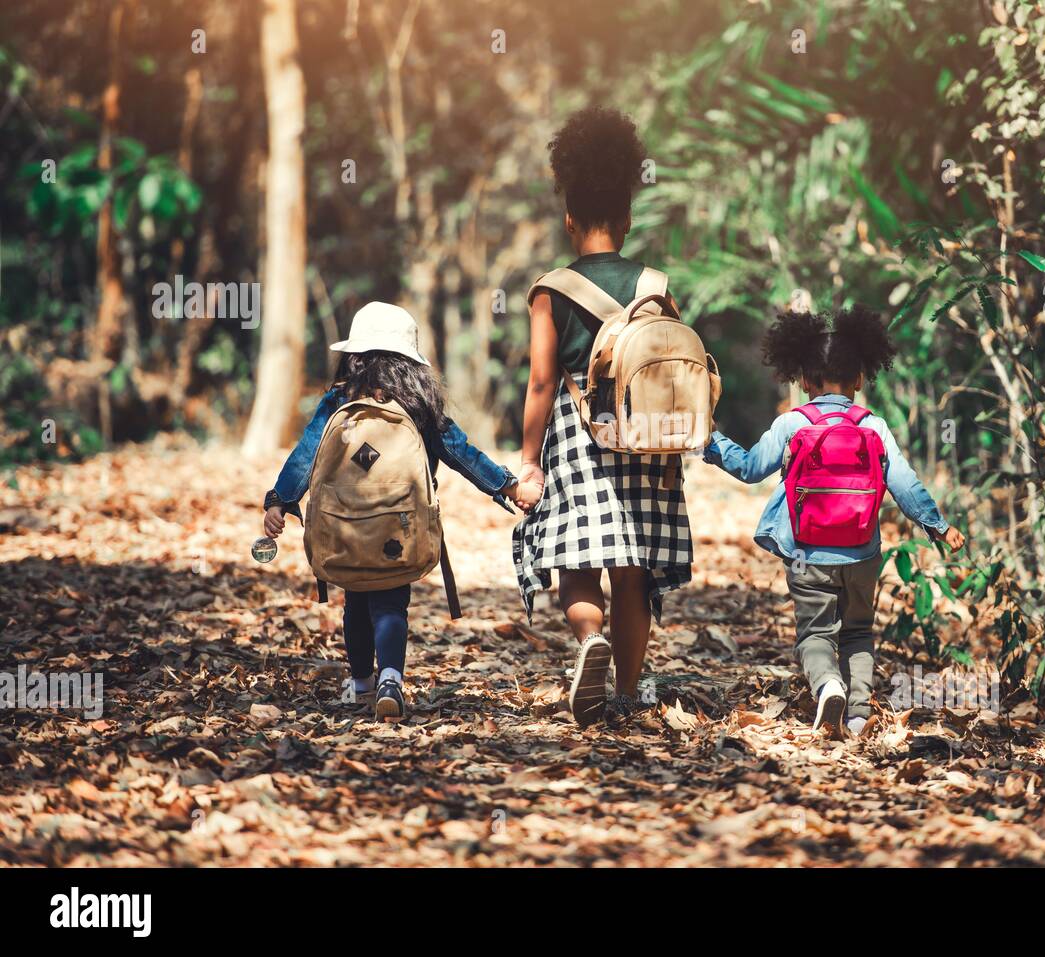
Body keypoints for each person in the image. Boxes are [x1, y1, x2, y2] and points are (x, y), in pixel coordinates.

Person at [262, 302, 540, 721]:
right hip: (400, 526)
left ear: (355, 357)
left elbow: (307, 455)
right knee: (391, 602)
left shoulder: (339, 400)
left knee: (355, 601)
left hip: (346, 526)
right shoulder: (419, 404)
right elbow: (460, 453)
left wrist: (280, 500)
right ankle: (391, 677)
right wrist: (508, 487)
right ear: (410, 362)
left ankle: (361, 685)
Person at [704, 306, 965, 736]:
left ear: (803, 380)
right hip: (862, 552)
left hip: (807, 553)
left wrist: (711, 441)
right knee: (859, 632)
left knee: (815, 633)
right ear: (860, 379)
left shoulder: (792, 423)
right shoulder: (874, 427)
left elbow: (750, 468)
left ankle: (827, 685)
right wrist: (936, 525)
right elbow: (904, 484)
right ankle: (859, 716)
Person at [513, 107, 692, 728]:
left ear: (568, 220)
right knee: (633, 570)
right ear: (627, 218)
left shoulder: (549, 290)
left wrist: (529, 460)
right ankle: (628, 690)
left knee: (578, 561)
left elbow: (540, 382)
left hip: (575, 433)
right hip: (647, 439)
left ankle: (589, 637)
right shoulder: (656, 285)